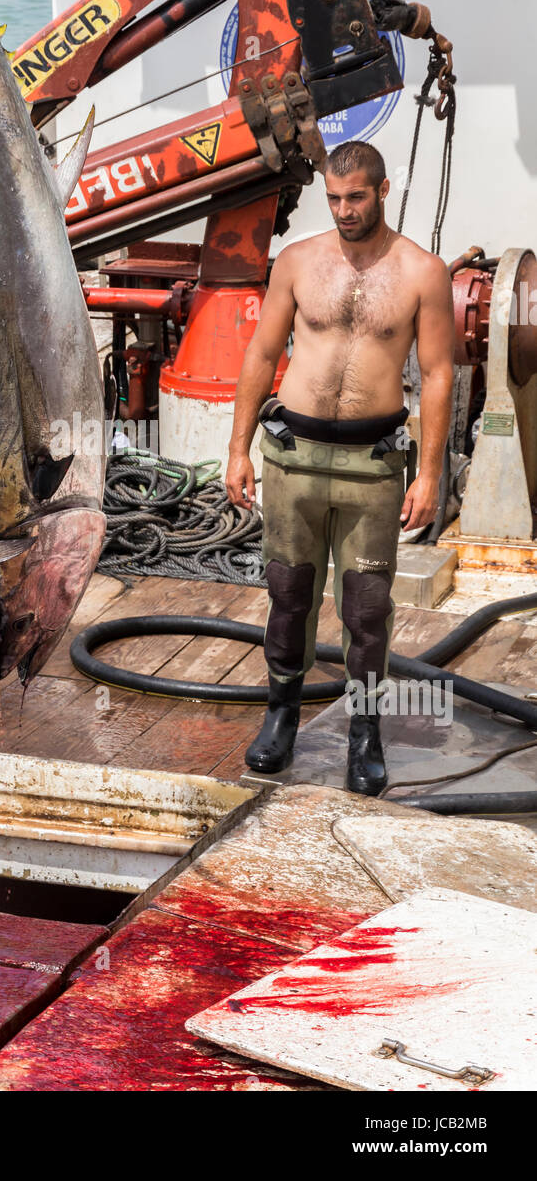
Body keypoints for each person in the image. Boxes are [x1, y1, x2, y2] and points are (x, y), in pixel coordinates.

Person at [225, 140, 454, 794]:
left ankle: (365, 733)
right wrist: (239, 448)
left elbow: (438, 375)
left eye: (356, 196)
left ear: (382, 192)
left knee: (368, 610)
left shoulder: (421, 272)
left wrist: (431, 474)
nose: (344, 209)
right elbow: (262, 351)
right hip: (293, 458)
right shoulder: (298, 261)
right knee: (288, 596)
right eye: (334, 197)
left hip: (372, 465)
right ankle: (281, 717)